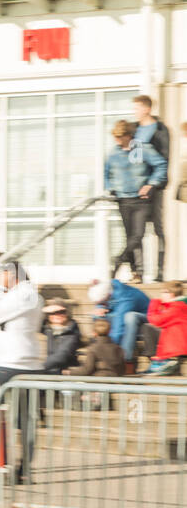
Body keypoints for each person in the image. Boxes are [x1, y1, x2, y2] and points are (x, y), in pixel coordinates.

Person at [0, 261, 44, 482]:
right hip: (13, 363)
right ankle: (9, 465)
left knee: (10, 418)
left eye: (1, 274)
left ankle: (18, 467)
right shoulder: (21, 295)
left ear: (12, 274)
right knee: (11, 419)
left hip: (16, 365)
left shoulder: (25, 294)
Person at [106, 119, 167, 285]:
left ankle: (119, 259)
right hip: (123, 199)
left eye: (120, 137)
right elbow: (107, 173)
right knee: (130, 238)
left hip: (141, 200)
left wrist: (150, 184)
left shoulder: (142, 149)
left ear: (128, 136)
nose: (117, 141)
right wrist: (111, 188)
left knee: (138, 235)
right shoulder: (114, 153)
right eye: (115, 138)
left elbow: (161, 165)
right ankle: (136, 272)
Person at [133, 95, 170, 279]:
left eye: (137, 108)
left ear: (146, 109)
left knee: (157, 229)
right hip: (135, 188)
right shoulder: (134, 129)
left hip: (154, 187)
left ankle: (160, 272)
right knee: (136, 231)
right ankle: (139, 272)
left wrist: (152, 184)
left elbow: (164, 160)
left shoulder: (160, 130)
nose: (135, 112)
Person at [89, 278, 150, 372]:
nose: (102, 304)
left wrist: (109, 348)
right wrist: (100, 307)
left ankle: (126, 359)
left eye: (103, 302)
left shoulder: (126, 298)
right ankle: (98, 346)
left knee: (130, 317)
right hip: (120, 313)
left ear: (108, 295)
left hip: (144, 318)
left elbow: (119, 328)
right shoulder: (107, 288)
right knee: (97, 314)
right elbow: (101, 303)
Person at [146, 281, 187, 376]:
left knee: (147, 328)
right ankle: (157, 361)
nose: (161, 295)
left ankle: (158, 361)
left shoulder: (176, 307)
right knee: (148, 328)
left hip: (178, 343)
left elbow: (155, 320)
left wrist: (154, 304)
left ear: (171, 294)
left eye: (164, 292)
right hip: (175, 339)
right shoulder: (175, 305)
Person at [40, 301, 83, 374]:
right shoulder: (45, 329)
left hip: (60, 374)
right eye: (53, 312)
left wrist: (39, 367)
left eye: (61, 312)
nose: (57, 315)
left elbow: (61, 356)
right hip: (46, 371)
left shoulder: (72, 333)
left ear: (67, 314)